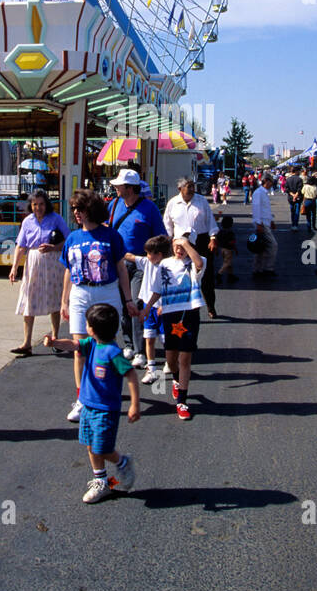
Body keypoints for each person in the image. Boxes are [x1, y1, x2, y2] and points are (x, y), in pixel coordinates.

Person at [43, 303, 139, 503]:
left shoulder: (113, 353)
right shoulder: (92, 343)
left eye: (87, 323)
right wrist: (54, 343)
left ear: (93, 329)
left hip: (106, 410)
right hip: (87, 406)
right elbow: (72, 345)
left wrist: (134, 404)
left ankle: (122, 462)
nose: (85, 326)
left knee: (101, 449)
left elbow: (130, 374)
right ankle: (101, 481)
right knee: (90, 445)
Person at [60, 190, 137, 423]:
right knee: (79, 347)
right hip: (80, 291)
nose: (76, 213)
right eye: (74, 209)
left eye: (80, 208)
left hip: (107, 290)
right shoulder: (72, 238)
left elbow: (121, 268)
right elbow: (67, 270)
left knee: (107, 346)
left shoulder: (111, 236)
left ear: (90, 210)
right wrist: (64, 300)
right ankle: (82, 399)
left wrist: (128, 299)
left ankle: (107, 389)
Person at [138, 233, 205, 420]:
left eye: (183, 246)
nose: (179, 249)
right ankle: (176, 380)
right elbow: (157, 290)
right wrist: (147, 309)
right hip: (170, 314)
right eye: (176, 245)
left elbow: (199, 265)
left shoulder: (194, 262)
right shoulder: (165, 264)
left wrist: (186, 243)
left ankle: (182, 401)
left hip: (189, 313)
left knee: (185, 359)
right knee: (171, 359)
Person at [105, 168, 166, 367]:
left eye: (119, 186)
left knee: (136, 304)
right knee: (123, 305)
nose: (115, 188)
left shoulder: (150, 208)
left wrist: (155, 259)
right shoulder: (114, 205)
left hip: (140, 265)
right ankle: (129, 344)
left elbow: (161, 237)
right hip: (119, 263)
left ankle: (141, 350)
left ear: (129, 188)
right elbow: (107, 225)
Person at [8, 189, 69, 356]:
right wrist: (14, 267)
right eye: (35, 204)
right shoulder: (28, 221)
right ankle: (27, 343)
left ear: (46, 204)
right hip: (33, 262)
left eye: (41, 204)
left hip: (52, 262)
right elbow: (20, 245)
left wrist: (55, 247)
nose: (38, 208)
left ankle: (56, 337)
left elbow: (68, 239)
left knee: (55, 300)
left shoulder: (56, 219)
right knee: (29, 300)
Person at [163, 176, 219, 318]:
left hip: (200, 240)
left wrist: (213, 238)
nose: (192, 189)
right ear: (180, 189)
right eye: (189, 186)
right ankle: (182, 307)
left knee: (206, 275)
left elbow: (210, 221)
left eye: (193, 186)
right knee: (181, 275)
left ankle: (211, 306)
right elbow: (167, 224)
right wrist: (170, 241)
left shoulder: (201, 201)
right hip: (180, 243)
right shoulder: (173, 203)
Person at [251, 173, 278, 277]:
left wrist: (271, 221)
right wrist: (258, 224)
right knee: (272, 245)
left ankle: (258, 269)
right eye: (271, 181)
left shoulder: (264, 193)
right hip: (261, 224)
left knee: (261, 248)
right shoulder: (259, 193)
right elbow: (256, 209)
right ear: (266, 181)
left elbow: (265, 209)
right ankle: (268, 268)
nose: (271, 184)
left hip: (265, 223)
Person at [215, 213, 238, 285]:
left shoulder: (220, 232)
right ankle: (219, 274)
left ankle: (230, 275)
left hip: (222, 249)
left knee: (229, 263)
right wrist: (235, 249)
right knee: (227, 263)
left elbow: (217, 239)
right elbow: (232, 242)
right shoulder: (230, 232)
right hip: (229, 249)